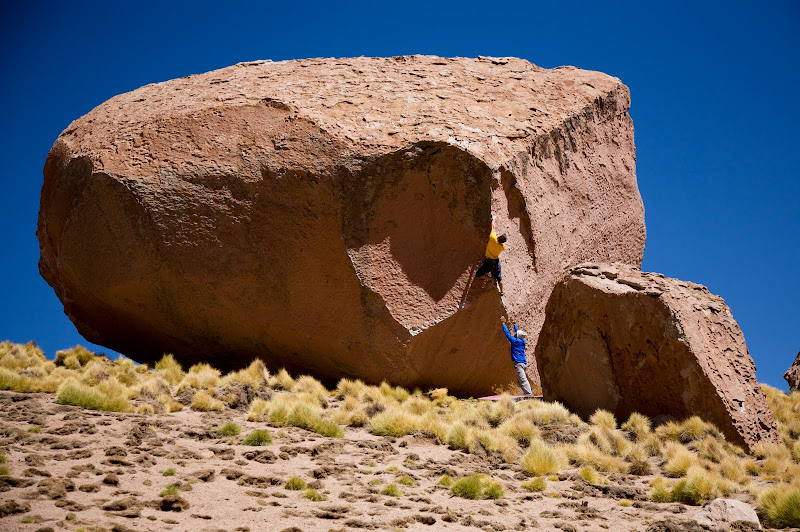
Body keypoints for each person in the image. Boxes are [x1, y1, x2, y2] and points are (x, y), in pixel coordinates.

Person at [500, 316, 532, 396]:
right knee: (519, 380)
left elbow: (507, 334)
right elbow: (518, 332)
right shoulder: (522, 341)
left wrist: (503, 324)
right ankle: (525, 393)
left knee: (523, 380)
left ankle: (529, 394)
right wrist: (515, 325)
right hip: (524, 363)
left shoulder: (515, 342)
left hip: (519, 364)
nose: (514, 334)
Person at [476, 220, 506, 294]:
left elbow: (493, 228)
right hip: (496, 262)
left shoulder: (493, 239)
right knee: (499, 278)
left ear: (498, 238)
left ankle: (491, 279)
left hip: (489, 261)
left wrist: (494, 219)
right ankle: (502, 292)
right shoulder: (502, 247)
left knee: (479, 274)